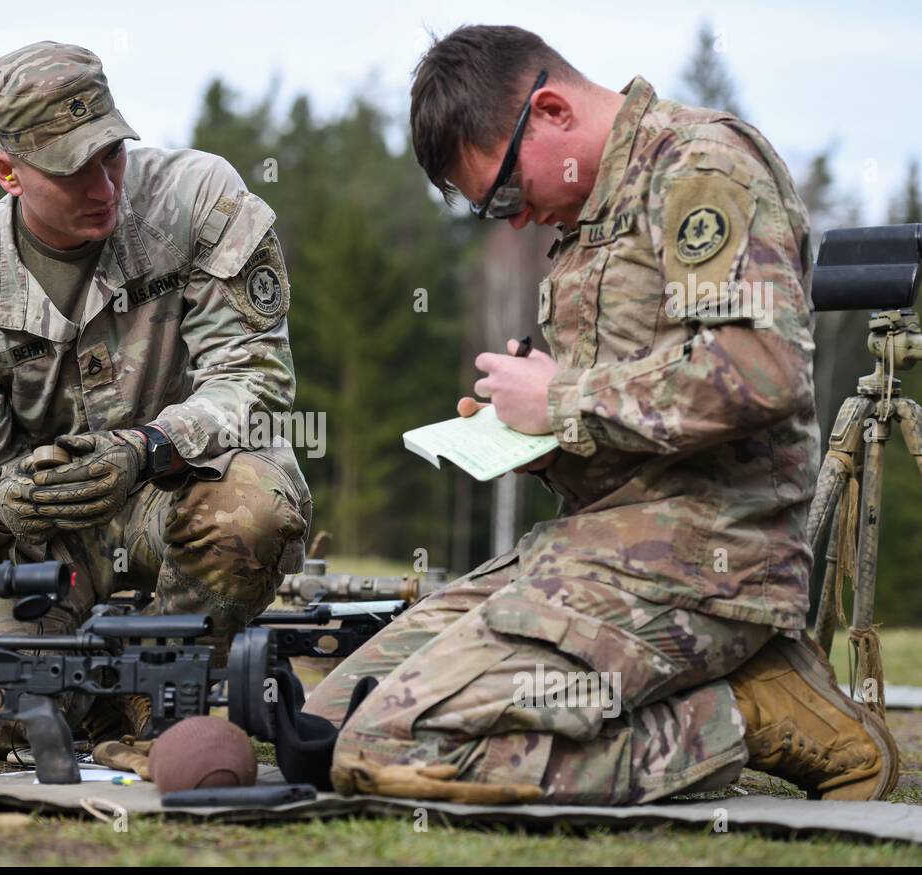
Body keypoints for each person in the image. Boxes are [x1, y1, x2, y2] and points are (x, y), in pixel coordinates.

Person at [307, 25, 897, 804]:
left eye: (508, 195)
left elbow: (762, 372)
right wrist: (529, 432)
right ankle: (735, 688)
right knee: (323, 730)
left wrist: (559, 399)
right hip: (591, 547)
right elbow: (637, 413)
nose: (515, 221)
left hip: (707, 559)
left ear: (549, 110)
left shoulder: (701, 169)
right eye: (494, 212)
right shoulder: (588, 215)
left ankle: (749, 715)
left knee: (392, 745)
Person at [0, 41, 311, 755]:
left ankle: (163, 693)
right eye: (71, 170)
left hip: (177, 491)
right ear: (8, 172)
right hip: (46, 534)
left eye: (111, 155)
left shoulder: (197, 200)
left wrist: (146, 448)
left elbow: (256, 383)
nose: (103, 187)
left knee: (255, 512)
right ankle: (85, 692)